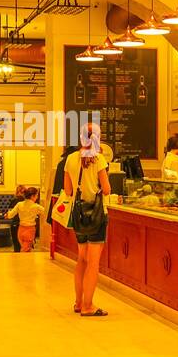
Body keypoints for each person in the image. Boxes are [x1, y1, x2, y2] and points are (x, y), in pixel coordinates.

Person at [64, 122, 111, 317]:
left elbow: (68, 190)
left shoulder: (70, 159)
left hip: (79, 215)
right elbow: (107, 189)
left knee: (81, 259)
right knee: (93, 263)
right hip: (97, 216)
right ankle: (88, 305)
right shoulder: (98, 159)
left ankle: (77, 302)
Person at [6, 187, 45, 252]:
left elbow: (10, 215)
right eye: (37, 195)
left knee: (25, 249)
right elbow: (46, 213)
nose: (37, 197)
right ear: (32, 196)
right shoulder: (36, 206)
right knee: (25, 251)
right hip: (29, 230)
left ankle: (25, 262)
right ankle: (22, 262)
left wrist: (7, 214)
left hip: (20, 230)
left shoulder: (19, 204)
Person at [8, 184, 26, 252]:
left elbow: (10, 213)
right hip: (24, 224)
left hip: (15, 223)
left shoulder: (14, 200)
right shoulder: (27, 201)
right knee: (24, 245)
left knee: (16, 244)